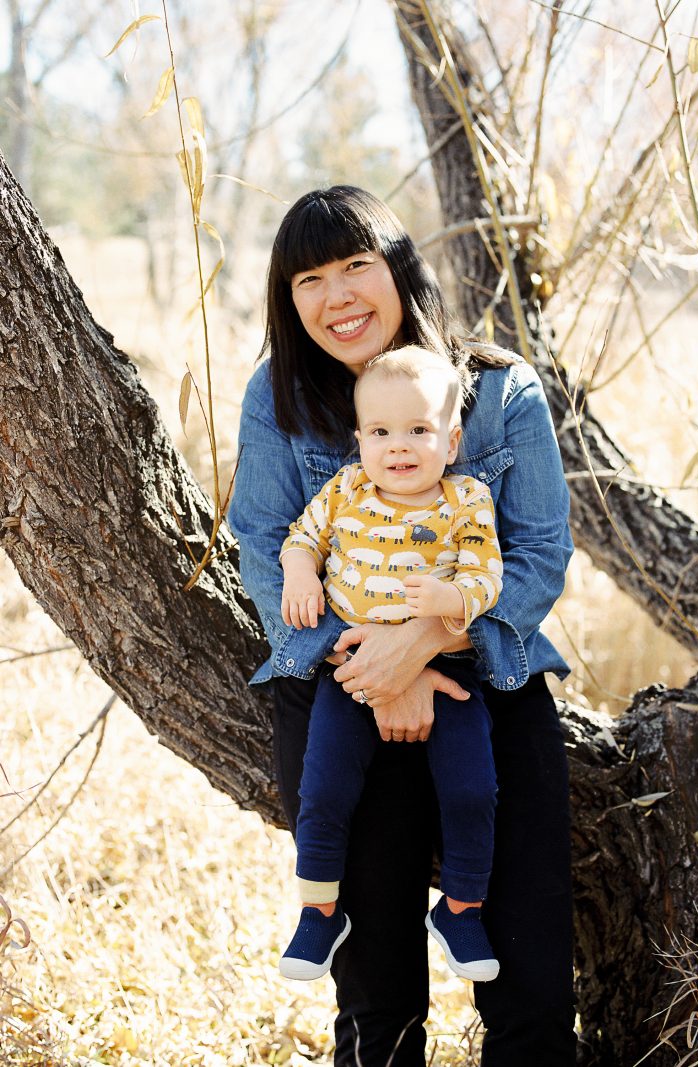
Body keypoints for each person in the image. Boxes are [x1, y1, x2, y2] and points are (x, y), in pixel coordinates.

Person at [228, 185, 576, 1066]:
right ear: (288, 298)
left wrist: (421, 646)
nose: (336, 295)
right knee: (375, 983)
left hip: (488, 679)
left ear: (400, 269)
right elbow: (266, 550)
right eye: (309, 277)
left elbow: (537, 554)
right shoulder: (277, 397)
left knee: (530, 974)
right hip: (341, 690)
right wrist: (373, 666)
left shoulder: (500, 391)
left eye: (356, 265)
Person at [278, 346, 503, 984]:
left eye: (418, 431)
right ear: (359, 439)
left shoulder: (466, 500)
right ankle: (319, 911)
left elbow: (488, 573)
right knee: (323, 790)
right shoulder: (346, 488)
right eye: (380, 432)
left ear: (451, 441)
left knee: (470, 789)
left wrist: (452, 600)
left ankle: (460, 908)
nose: (397, 447)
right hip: (350, 672)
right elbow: (303, 536)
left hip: (446, 672)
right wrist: (300, 570)